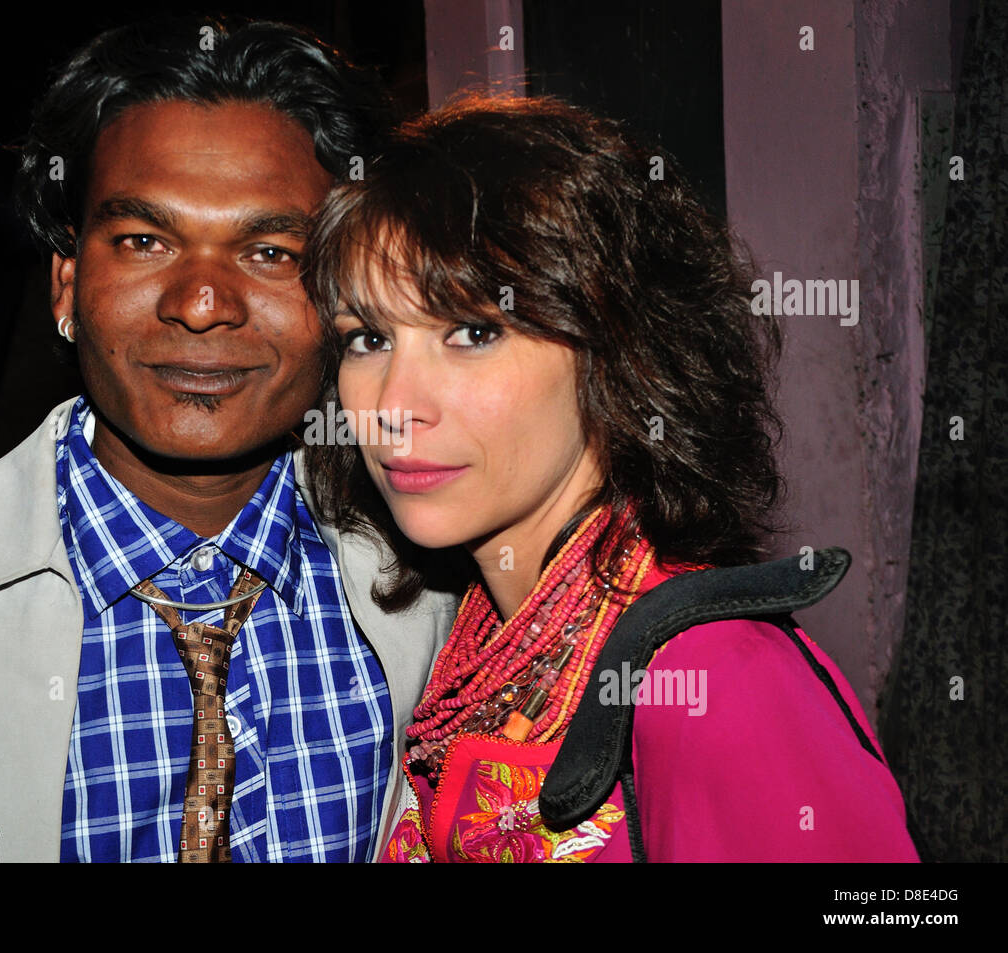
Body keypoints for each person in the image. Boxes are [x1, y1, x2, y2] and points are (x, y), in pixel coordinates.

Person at [0, 19, 455, 863]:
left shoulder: (435, 578)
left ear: (341, 300)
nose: (202, 301)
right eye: (145, 241)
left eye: (269, 250)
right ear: (67, 283)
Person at [301, 95, 920, 862]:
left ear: (617, 352)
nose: (393, 406)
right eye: (367, 338)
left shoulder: (713, 682)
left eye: (473, 331)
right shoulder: (469, 638)